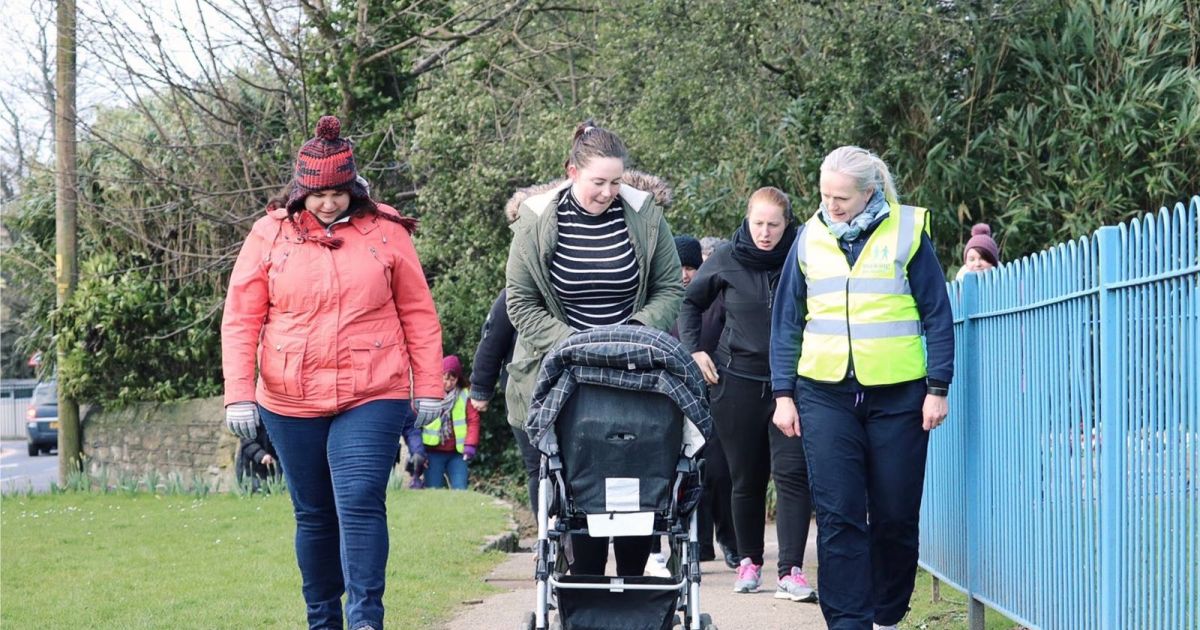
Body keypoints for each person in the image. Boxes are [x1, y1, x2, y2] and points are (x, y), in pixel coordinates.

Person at [222, 115, 443, 630]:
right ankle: (322, 619)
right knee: (315, 512)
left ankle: (365, 619)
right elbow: (241, 318)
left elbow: (418, 312)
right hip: (289, 397)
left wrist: (429, 386)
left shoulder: (386, 231)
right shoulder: (269, 234)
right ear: (300, 190)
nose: (327, 204)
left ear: (353, 188)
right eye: (318, 194)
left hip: (373, 390)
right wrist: (239, 393)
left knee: (361, 500)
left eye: (338, 193)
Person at [770, 146, 955, 630]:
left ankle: (887, 615)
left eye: (842, 198)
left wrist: (938, 386)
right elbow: (787, 321)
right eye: (825, 195)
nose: (830, 205)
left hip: (899, 396)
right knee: (839, 515)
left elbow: (937, 313)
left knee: (894, 515)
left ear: (869, 192)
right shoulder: (808, 237)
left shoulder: (907, 232)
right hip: (824, 394)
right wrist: (783, 394)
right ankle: (849, 621)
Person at [505, 120, 684, 577]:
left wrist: (633, 334)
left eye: (616, 182)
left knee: (633, 482)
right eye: (598, 182)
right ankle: (584, 588)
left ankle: (633, 588)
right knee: (578, 495)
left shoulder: (646, 216)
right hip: (564, 374)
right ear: (572, 172)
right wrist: (574, 345)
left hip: (633, 372)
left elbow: (669, 289)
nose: (608, 193)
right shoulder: (536, 221)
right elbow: (520, 302)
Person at [678, 187, 816, 602]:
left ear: (788, 224)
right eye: (758, 223)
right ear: (747, 219)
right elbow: (689, 304)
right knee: (745, 477)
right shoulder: (725, 258)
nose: (765, 233)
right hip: (736, 381)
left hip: (792, 383)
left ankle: (791, 571)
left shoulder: (803, 256)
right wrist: (695, 349)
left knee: (792, 475)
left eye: (774, 224)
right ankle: (749, 562)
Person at [421, 355, 481, 489]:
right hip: (432, 453)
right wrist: (419, 451)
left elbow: (473, 421)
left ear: (458, 378)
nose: (448, 384)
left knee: (460, 490)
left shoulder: (465, 394)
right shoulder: (427, 395)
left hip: (457, 454)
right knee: (433, 492)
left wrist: (470, 445)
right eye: (445, 378)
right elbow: (416, 424)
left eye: (452, 380)